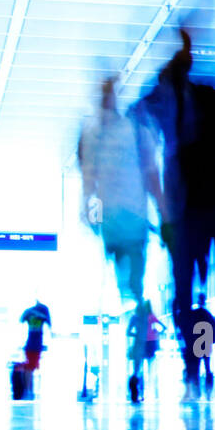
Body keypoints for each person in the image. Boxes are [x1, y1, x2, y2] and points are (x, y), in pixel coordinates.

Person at [134, 30, 215, 402]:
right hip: (196, 210)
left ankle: (195, 357)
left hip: (194, 209)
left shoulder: (195, 101)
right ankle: (195, 359)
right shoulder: (205, 100)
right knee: (186, 288)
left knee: (186, 286)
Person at [78, 77, 159, 306]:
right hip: (128, 214)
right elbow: (150, 174)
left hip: (120, 215)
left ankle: (132, 296)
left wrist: (90, 213)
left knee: (125, 257)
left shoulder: (94, 134)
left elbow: (89, 180)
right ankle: (133, 296)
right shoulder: (127, 131)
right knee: (131, 259)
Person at [125, 298, 164, 404]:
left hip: (139, 344)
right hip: (150, 345)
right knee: (149, 369)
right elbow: (163, 327)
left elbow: (128, 332)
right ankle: (145, 392)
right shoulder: (150, 317)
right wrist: (156, 332)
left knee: (138, 370)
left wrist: (137, 335)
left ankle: (137, 391)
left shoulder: (135, 318)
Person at [19, 299, 52, 400]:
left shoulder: (30, 314)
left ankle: (28, 390)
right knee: (30, 368)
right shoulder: (42, 316)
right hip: (36, 346)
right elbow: (49, 322)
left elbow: (21, 319)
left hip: (30, 345)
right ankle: (28, 390)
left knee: (30, 368)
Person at [185, 300, 215, 400]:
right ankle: (208, 391)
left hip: (197, 344)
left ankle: (197, 391)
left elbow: (189, 329)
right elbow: (213, 326)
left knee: (197, 367)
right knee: (207, 367)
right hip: (206, 344)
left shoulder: (194, 315)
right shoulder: (207, 314)